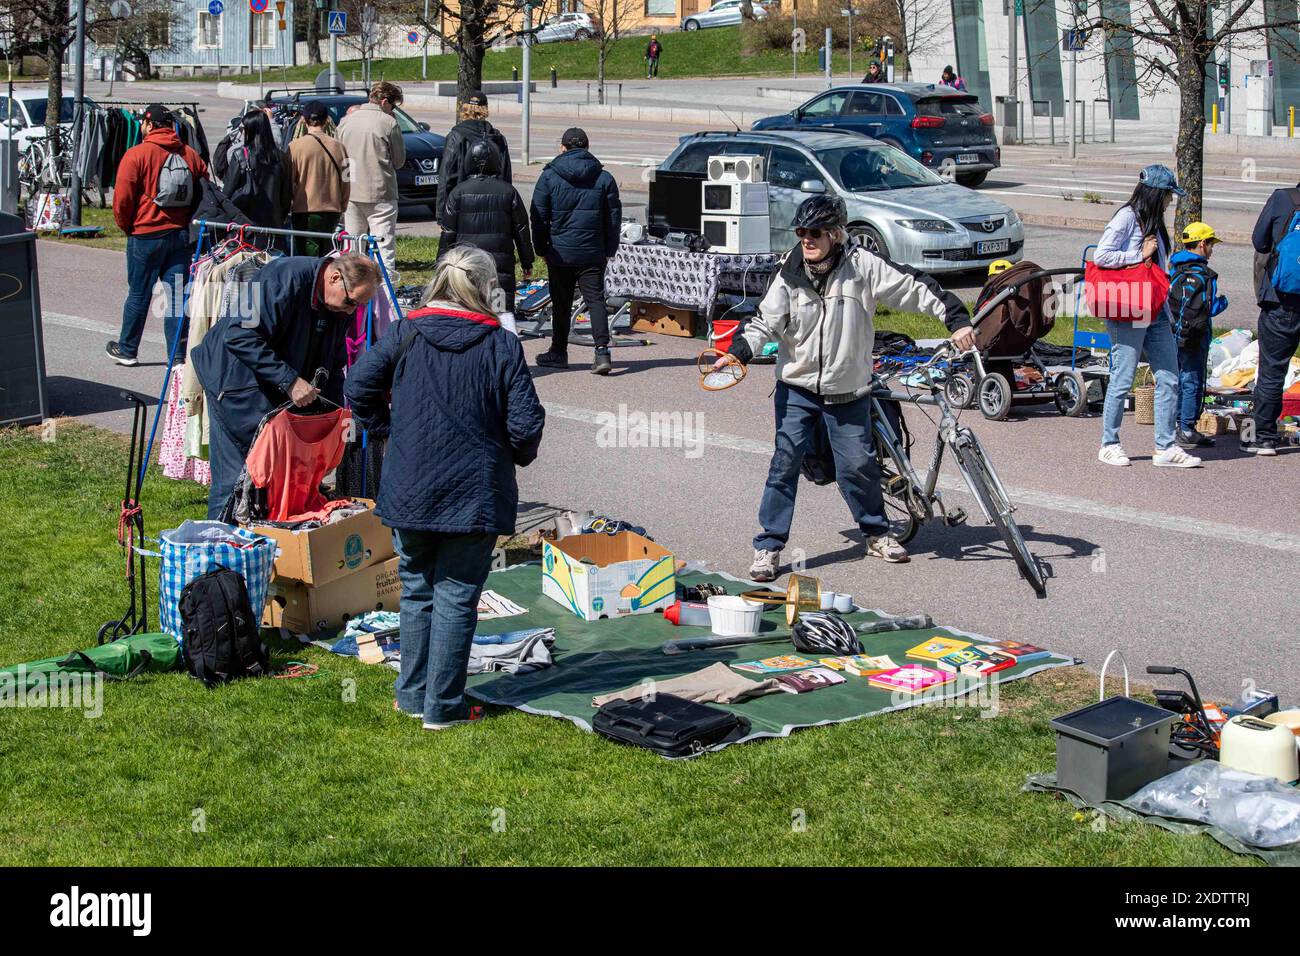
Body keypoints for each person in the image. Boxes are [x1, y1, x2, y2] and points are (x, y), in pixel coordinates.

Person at [719, 195, 975, 580]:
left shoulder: (862, 267)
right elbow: (764, 322)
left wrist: (955, 319)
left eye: (816, 233)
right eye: (802, 232)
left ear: (836, 234)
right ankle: (768, 547)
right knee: (783, 466)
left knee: (857, 466)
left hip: (848, 389)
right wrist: (738, 351)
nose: (807, 239)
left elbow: (914, 288)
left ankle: (875, 533)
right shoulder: (788, 272)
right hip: (797, 388)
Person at [344, 246, 545, 730]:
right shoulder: (499, 344)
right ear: (483, 288)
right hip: (470, 494)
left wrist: (390, 430)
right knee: (454, 595)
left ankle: (414, 696)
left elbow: (358, 387)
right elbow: (525, 425)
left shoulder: (408, 332)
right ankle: (441, 705)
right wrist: (509, 456)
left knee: (417, 592)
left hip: (413, 488)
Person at [190, 253, 381, 519]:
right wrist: (289, 380)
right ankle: (219, 551)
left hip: (275, 386)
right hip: (232, 380)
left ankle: (264, 551)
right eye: (350, 302)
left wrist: (334, 416)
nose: (351, 311)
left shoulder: (339, 303)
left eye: (358, 306)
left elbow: (334, 363)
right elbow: (240, 333)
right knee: (236, 480)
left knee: (275, 481)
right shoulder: (282, 277)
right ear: (334, 277)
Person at [1095, 164, 1201, 468]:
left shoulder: (1156, 225)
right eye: (1168, 195)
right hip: (1128, 308)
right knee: (1123, 376)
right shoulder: (1127, 217)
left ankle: (1165, 447)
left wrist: (1167, 313)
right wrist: (1137, 255)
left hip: (1154, 311)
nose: (1170, 201)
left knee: (1169, 376)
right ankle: (1109, 443)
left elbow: (1159, 274)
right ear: (1156, 194)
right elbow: (1102, 255)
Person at [107, 103, 209, 366]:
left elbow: (122, 200)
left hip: (144, 235)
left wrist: (127, 226)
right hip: (179, 236)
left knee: (139, 294)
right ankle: (176, 357)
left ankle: (128, 349)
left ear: (150, 124)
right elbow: (204, 192)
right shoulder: (190, 154)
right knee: (176, 299)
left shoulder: (137, 155)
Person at [530, 127, 621, 375]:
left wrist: (541, 248)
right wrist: (609, 249)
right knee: (595, 300)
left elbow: (537, 217)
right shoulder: (604, 178)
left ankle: (558, 351)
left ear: (562, 147)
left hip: (559, 252)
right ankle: (602, 351)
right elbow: (613, 219)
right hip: (593, 252)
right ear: (587, 148)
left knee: (561, 303)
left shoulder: (549, 176)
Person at [439, 139, 534, 324]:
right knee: (501, 312)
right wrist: (527, 261)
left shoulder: (458, 193)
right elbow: (521, 229)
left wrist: (441, 264)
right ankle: (503, 341)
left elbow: (448, 233)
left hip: (467, 263)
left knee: (468, 305)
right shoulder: (508, 192)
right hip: (500, 267)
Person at [1245, 180, 1300, 456]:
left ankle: (1264, 437)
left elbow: (1259, 241)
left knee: (1272, 370)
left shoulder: (1283, 199)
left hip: (1281, 301)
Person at [1167, 221, 1228, 449]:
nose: (1212, 249)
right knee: (1192, 380)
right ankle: (1187, 428)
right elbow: (1209, 308)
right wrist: (1223, 303)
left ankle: (1175, 424)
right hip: (1196, 335)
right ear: (1202, 244)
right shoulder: (1205, 274)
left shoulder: (1175, 267)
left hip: (1174, 333)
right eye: (1211, 244)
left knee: (1178, 378)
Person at [336, 81, 406, 279]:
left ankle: (351, 286)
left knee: (353, 245)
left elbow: (340, 158)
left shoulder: (346, 121)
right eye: (393, 106)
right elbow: (399, 161)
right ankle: (385, 294)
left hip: (351, 191)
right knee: (384, 248)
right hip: (381, 192)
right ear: (385, 102)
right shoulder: (389, 123)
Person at [438, 90, 513, 226]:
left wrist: (441, 216)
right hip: (495, 206)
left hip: (464, 205)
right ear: (486, 110)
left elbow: (446, 177)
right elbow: (506, 177)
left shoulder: (456, 137)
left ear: (464, 108)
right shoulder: (498, 138)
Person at [287, 100, 350, 257]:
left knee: (307, 255)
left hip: (304, 209)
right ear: (327, 119)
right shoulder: (339, 146)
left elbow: (289, 181)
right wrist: (343, 205)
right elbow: (347, 179)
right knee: (328, 252)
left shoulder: (294, 147)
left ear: (304, 119)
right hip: (332, 209)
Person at [222, 109, 292, 230]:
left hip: (245, 222)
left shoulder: (240, 155)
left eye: (242, 128)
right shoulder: (281, 157)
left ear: (250, 129)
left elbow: (227, 191)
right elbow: (286, 195)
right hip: (273, 222)